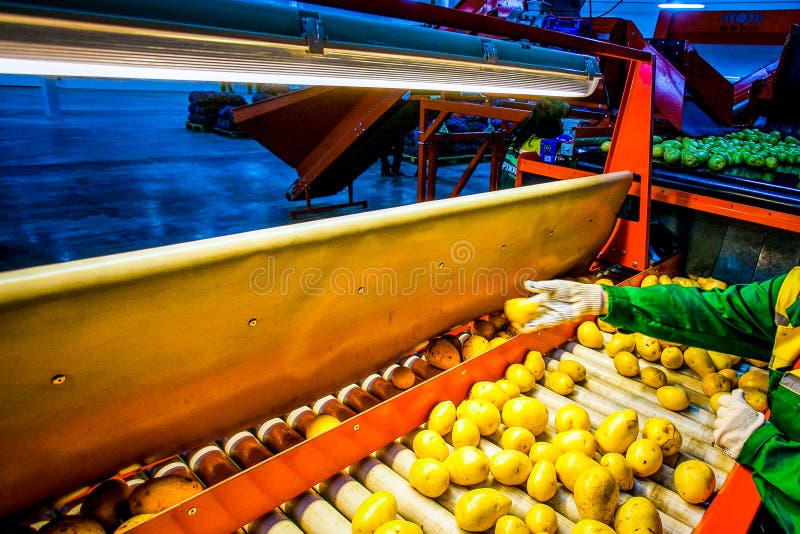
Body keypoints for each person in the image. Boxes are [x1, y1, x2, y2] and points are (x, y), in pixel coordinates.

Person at [517, 267, 800, 533]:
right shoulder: (795, 289)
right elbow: (722, 312)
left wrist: (761, 446)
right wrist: (609, 300)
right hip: (771, 486)